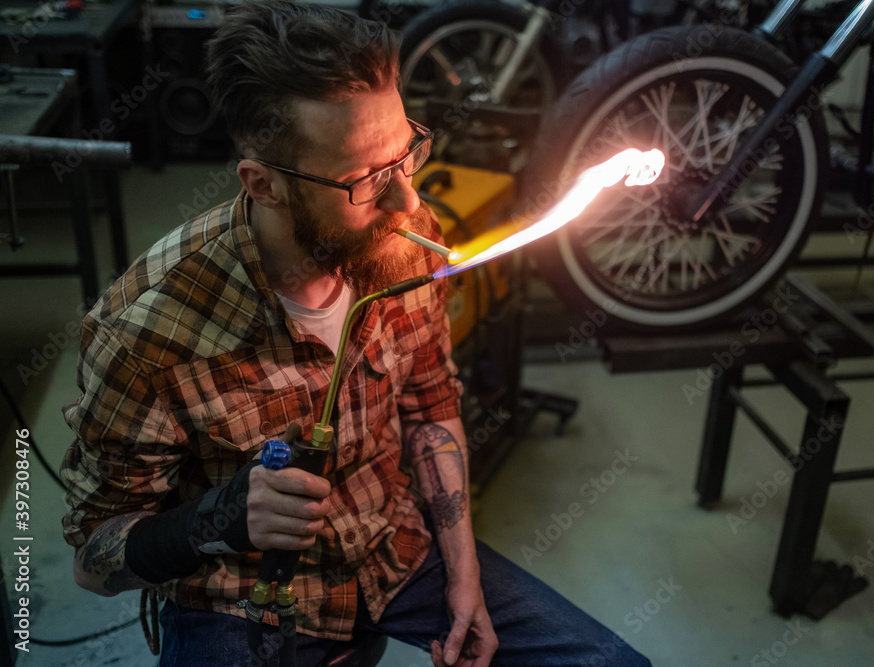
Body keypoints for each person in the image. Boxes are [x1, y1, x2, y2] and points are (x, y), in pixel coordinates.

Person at [60, 2, 652, 666]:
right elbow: (93, 555)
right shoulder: (145, 333)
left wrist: (464, 581)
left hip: (389, 546)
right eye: (367, 179)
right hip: (237, 593)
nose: (406, 201)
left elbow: (431, 406)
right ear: (266, 185)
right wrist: (215, 518)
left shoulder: (407, 243)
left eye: (407, 155)